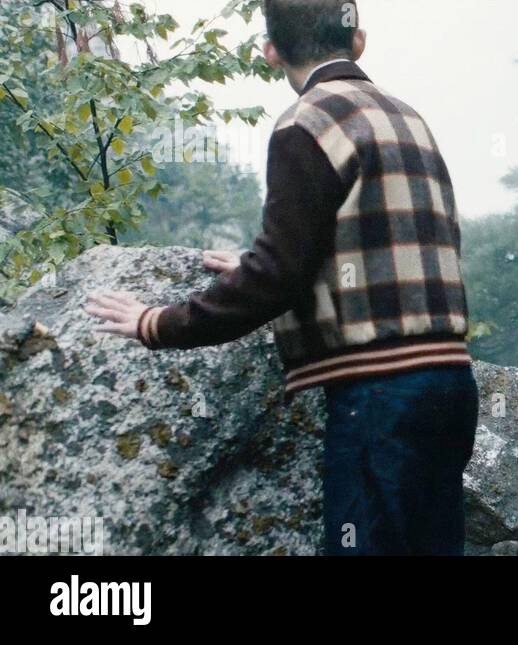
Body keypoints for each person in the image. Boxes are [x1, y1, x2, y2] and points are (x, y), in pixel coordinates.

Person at [83, 0, 478, 556]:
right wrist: (261, 263)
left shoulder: (307, 122)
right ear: (358, 41)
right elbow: (375, 245)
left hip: (379, 394)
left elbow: (278, 275)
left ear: (271, 53)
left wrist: (157, 322)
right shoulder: (409, 118)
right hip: (452, 385)